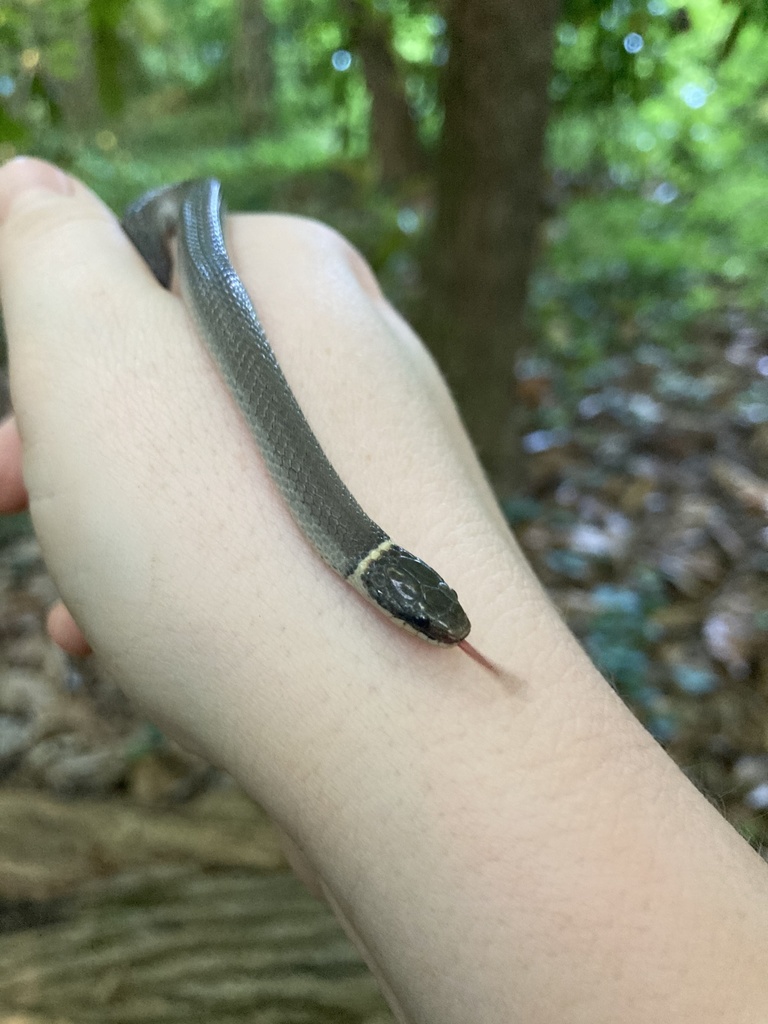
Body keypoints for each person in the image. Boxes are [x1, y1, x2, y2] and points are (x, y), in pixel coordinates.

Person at [0, 155, 766, 1024]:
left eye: (432, 619)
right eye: (428, 621)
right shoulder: (348, 547)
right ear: (389, 595)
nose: (442, 631)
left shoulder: (373, 559)